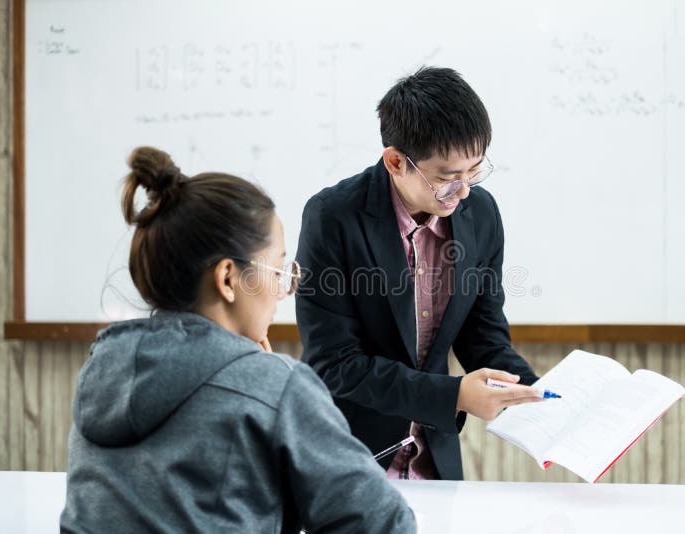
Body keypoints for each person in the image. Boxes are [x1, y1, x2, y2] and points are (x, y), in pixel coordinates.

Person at [60, 147, 415, 533]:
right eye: (279, 269)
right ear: (228, 278)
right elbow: (385, 523)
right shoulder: (274, 385)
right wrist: (271, 383)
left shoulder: (101, 370)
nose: (284, 289)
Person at [296, 66, 543, 482]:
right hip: (346, 459)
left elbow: (483, 336)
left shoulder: (480, 214)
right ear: (396, 162)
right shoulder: (333, 217)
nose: (463, 192)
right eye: (447, 178)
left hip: (435, 463)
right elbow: (333, 363)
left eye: (475, 171)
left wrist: (538, 393)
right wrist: (455, 395)